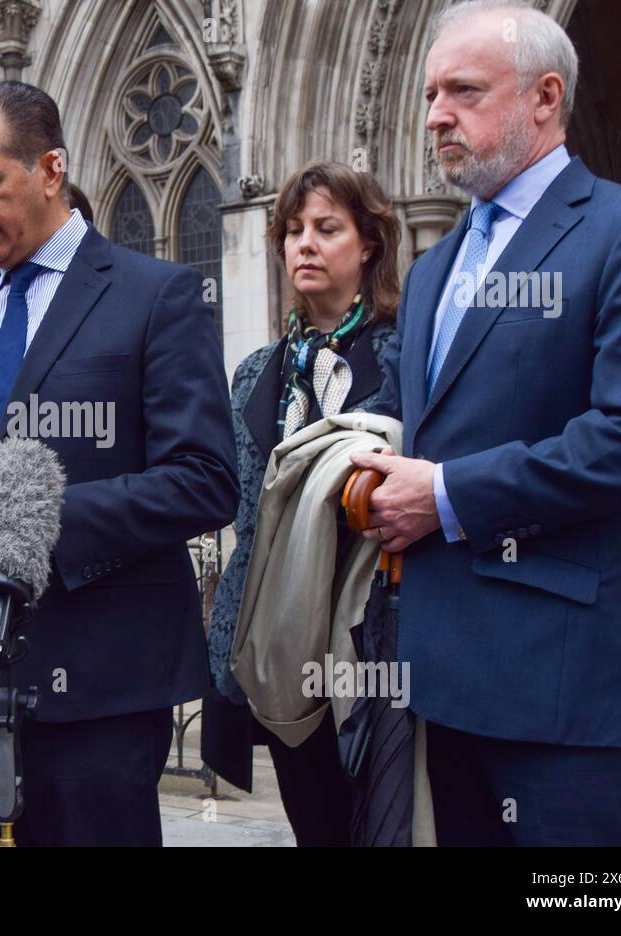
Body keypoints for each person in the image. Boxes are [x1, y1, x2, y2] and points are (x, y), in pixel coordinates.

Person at [354, 0, 621, 845]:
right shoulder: (436, 264)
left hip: (566, 682)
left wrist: (446, 496)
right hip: (440, 674)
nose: (436, 114)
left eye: (464, 91)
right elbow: (421, 416)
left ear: (545, 97)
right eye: (431, 94)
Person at [0, 80, 239, 846]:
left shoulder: (156, 296)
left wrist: (27, 523)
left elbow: (205, 480)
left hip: (96, 682)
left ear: (49, 169)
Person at [202, 161, 401, 845]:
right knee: (314, 825)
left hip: (372, 640)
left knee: (384, 822)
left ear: (368, 243)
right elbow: (239, 507)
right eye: (292, 231)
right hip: (280, 642)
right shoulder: (258, 372)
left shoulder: (405, 355)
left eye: (326, 228)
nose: (304, 245)